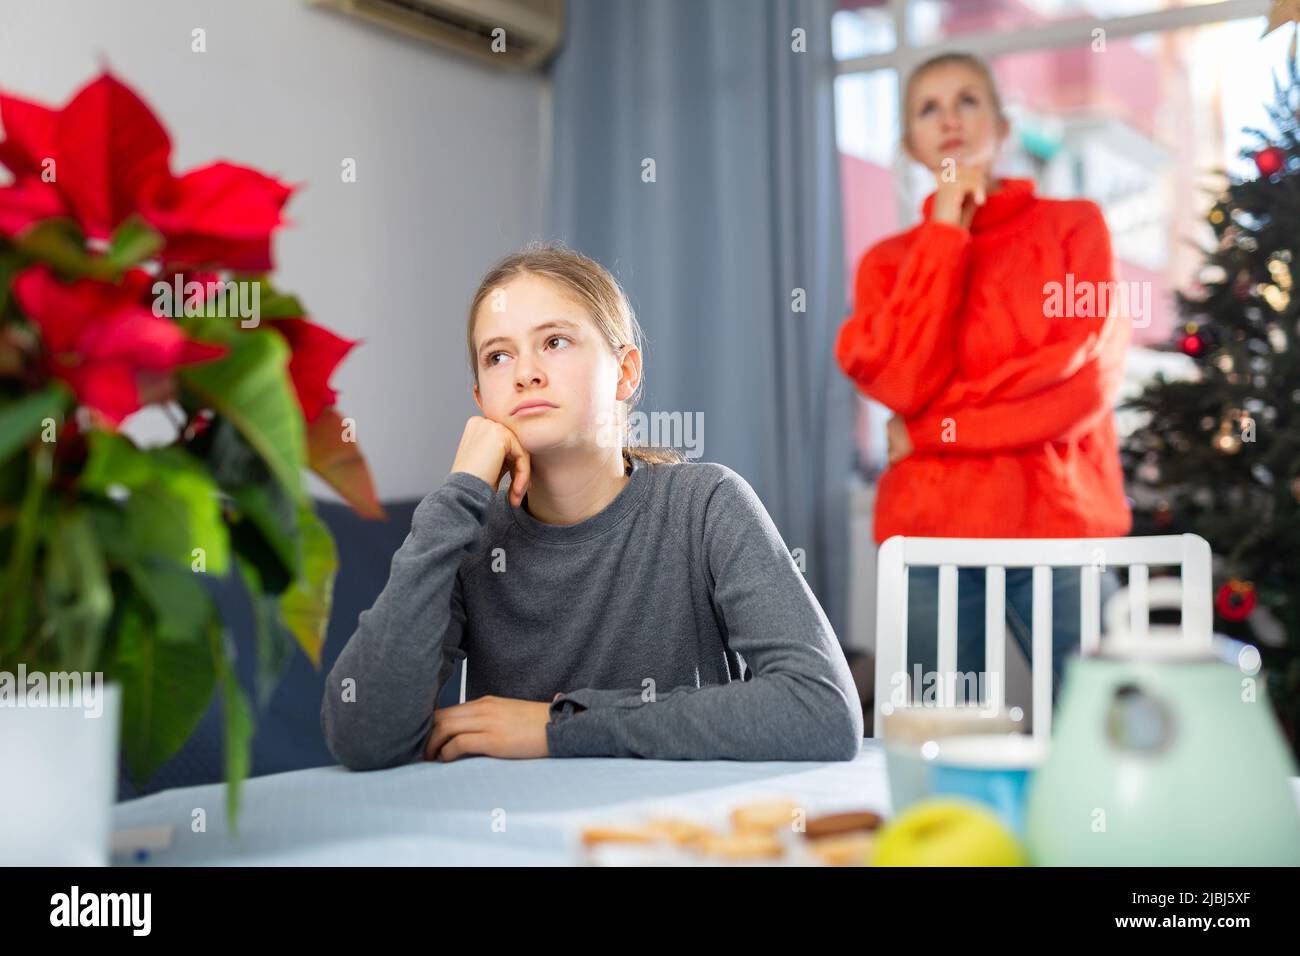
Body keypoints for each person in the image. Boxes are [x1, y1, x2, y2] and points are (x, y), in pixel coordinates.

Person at [322, 243, 863, 769]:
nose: (524, 373)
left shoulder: (706, 506)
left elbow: (820, 709)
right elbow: (362, 734)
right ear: (482, 401)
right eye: (499, 355)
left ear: (625, 372)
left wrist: (559, 726)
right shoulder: (468, 536)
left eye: (554, 342)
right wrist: (460, 488)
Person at [835, 53, 1131, 709]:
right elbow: (904, 381)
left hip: (1058, 523)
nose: (949, 121)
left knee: (1101, 728)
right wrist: (946, 232)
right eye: (927, 108)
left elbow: (1081, 386)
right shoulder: (887, 263)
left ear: (999, 125)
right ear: (910, 145)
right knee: (936, 741)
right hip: (928, 533)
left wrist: (931, 433)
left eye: (967, 100)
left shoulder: (1072, 226)